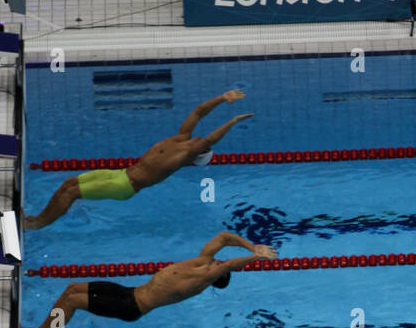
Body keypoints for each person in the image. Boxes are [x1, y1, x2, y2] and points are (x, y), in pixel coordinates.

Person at [23, 90, 252, 230]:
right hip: (120, 173)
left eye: (205, 145)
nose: (204, 139)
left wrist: (233, 121)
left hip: (124, 185)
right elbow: (199, 112)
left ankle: (39, 225)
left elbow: (213, 136)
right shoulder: (182, 137)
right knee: (69, 183)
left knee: (72, 193)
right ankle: (36, 218)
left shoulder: (184, 156)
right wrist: (223, 98)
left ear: (199, 154)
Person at [20, 231, 275, 328]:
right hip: (128, 291)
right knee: (73, 288)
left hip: (131, 306)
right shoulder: (202, 260)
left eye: (220, 267)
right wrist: (252, 246)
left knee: (74, 301)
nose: (218, 261)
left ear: (216, 277)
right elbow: (223, 237)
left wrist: (255, 258)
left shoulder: (202, 281)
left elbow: (228, 264)